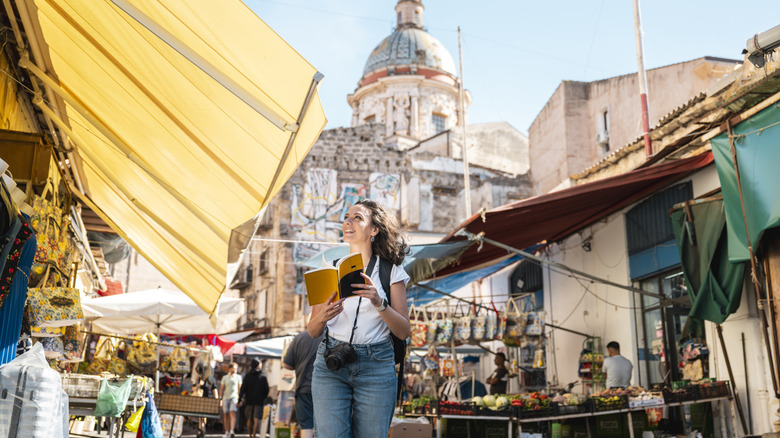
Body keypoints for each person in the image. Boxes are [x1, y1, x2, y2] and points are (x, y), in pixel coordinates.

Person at [307, 199, 411, 438]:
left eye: (357, 218)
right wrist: (323, 316)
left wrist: (379, 302)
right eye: (346, 217)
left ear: (374, 230)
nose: (348, 222)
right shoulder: (328, 269)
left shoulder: (391, 272)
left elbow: (403, 331)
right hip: (331, 362)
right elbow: (312, 331)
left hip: (376, 364)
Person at [282, 330, 324, 438]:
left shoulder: (299, 338)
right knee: (324, 424)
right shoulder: (333, 336)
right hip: (326, 389)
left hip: (303, 387)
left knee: (306, 426)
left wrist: (301, 365)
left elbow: (287, 364)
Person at [238, 359, 269, 438]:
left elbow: (243, 388)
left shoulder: (248, 376)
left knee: (249, 418)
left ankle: (250, 435)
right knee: (256, 419)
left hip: (249, 400)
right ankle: (254, 435)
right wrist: (263, 397)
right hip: (259, 401)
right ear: (258, 365)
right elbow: (266, 389)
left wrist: (240, 398)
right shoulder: (262, 376)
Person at [220, 362, 243, 438]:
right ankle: (226, 431)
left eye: (236, 369)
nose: (235, 370)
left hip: (234, 397)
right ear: (229, 369)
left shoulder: (238, 377)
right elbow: (222, 388)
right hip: (226, 397)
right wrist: (220, 398)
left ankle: (232, 431)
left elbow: (240, 388)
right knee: (226, 414)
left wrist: (241, 399)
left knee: (232, 413)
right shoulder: (225, 377)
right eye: (233, 368)